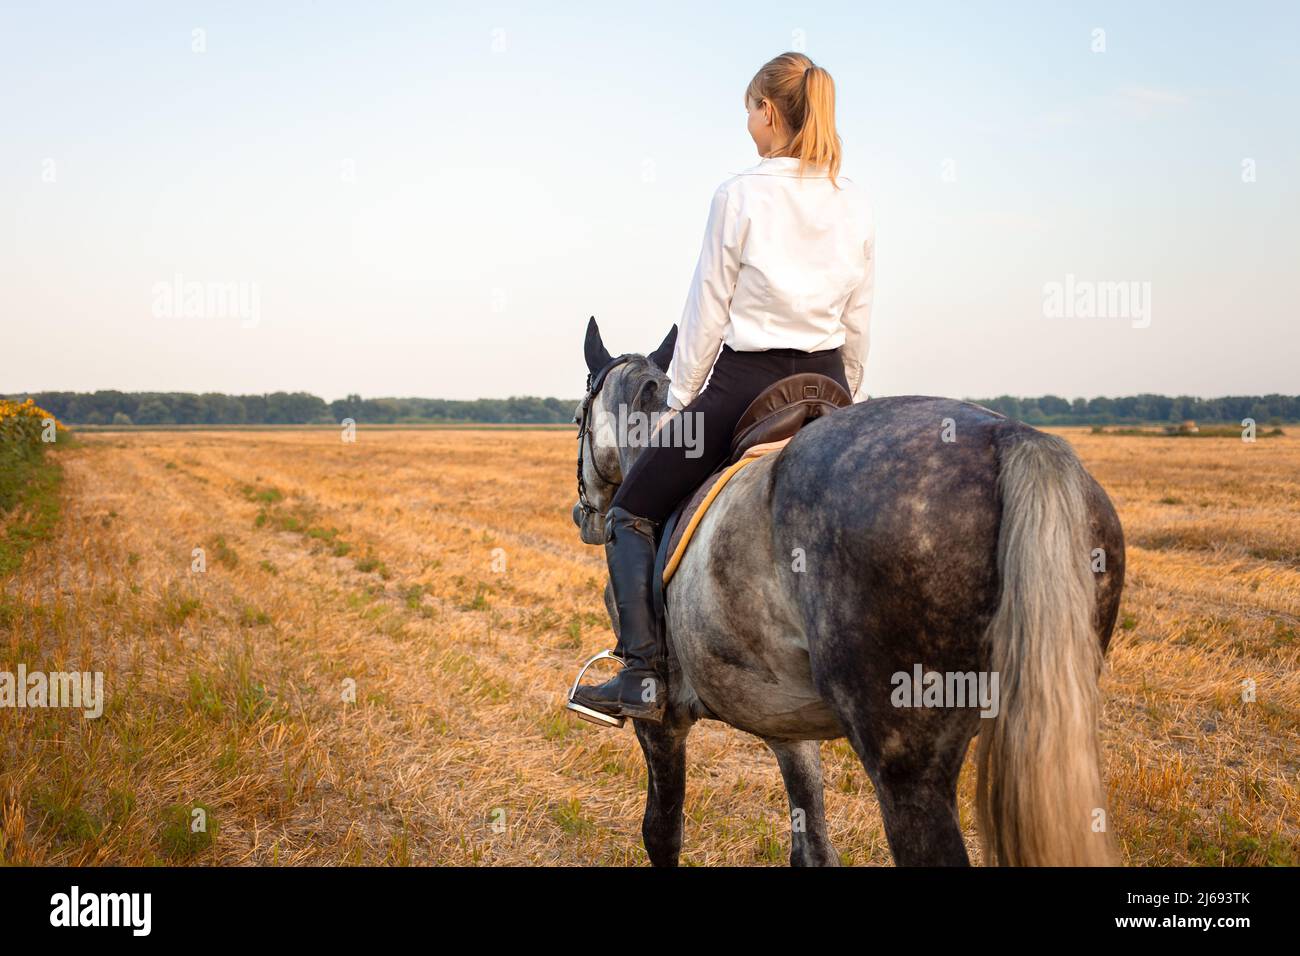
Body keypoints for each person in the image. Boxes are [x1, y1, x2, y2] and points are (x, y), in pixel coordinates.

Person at [571, 51, 876, 724]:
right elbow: (858, 320)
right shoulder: (852, 200)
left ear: (768, 113)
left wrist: (678, 409)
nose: (747, 122)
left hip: (748, 384)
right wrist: (845, 399)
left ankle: (641, 675)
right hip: (826, 387)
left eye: (749, 110)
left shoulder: (739, 194)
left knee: (628, 512)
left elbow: (704, 313)